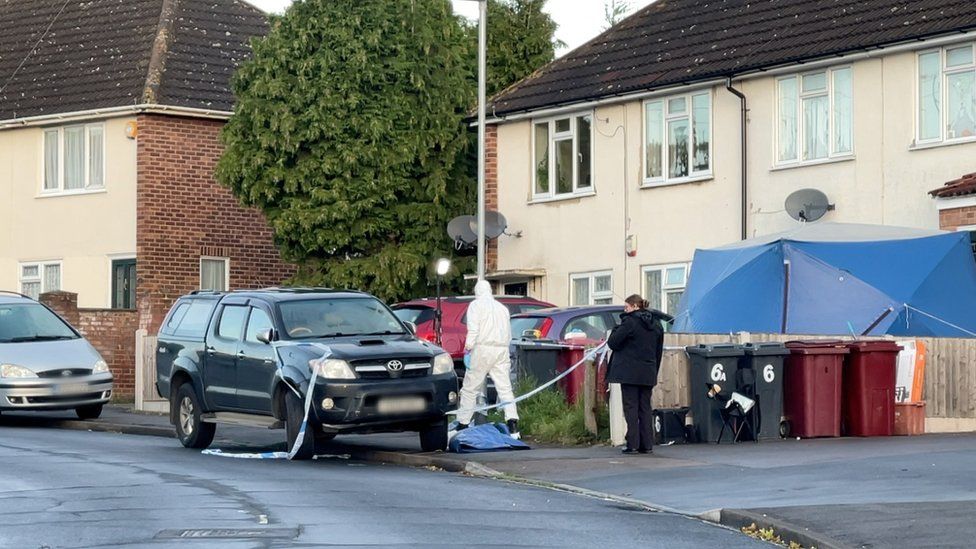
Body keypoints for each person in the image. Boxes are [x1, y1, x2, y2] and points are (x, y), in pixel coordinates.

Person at [455, 280, 519, 438]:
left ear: (477, 292)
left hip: (482, 349)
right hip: (501, 350)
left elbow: (473, 330)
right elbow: (508, 333)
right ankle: (513, 426)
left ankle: (463, 423)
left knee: (470, 388)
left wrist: (468, 348)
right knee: (505, 388)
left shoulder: (475, 306)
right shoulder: (502, 308)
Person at [607, 294, 665, 454]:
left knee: (631, 407)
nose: (624, 310)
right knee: (645, 407)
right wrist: (654, 370)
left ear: (634, 306)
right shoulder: (656, 324)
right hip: (648, 371)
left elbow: (613, 342)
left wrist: (616, 327)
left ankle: (632, 443)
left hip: (629, 372)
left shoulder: (629, 322)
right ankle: (647, 444)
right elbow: (658, 351)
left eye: (626, 307)